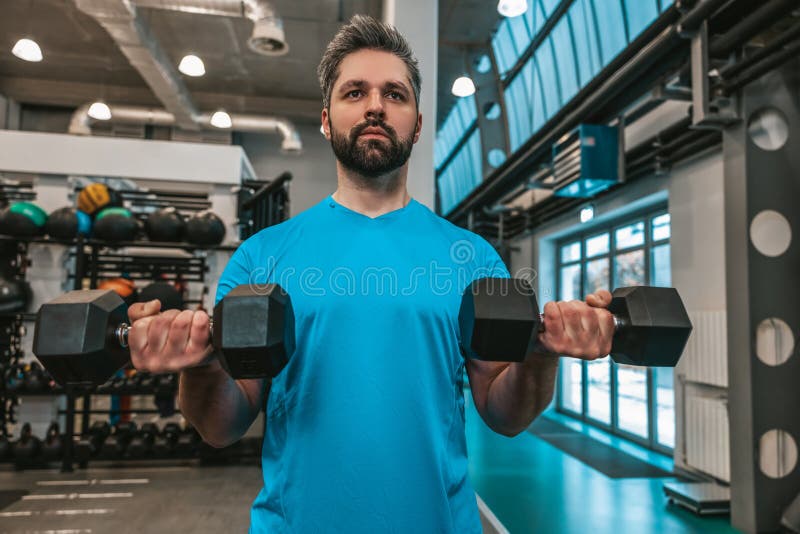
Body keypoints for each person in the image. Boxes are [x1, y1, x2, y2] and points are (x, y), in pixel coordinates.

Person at [127, 15, 615, 533]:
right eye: (355, 92)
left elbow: (505, 414)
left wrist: (540, 356)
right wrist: (198, 365)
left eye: (395, 94)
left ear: (418, 123)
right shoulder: (260, 257)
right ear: (325, 117)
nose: (376, 106)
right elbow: (222, 426)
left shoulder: (471, 259)